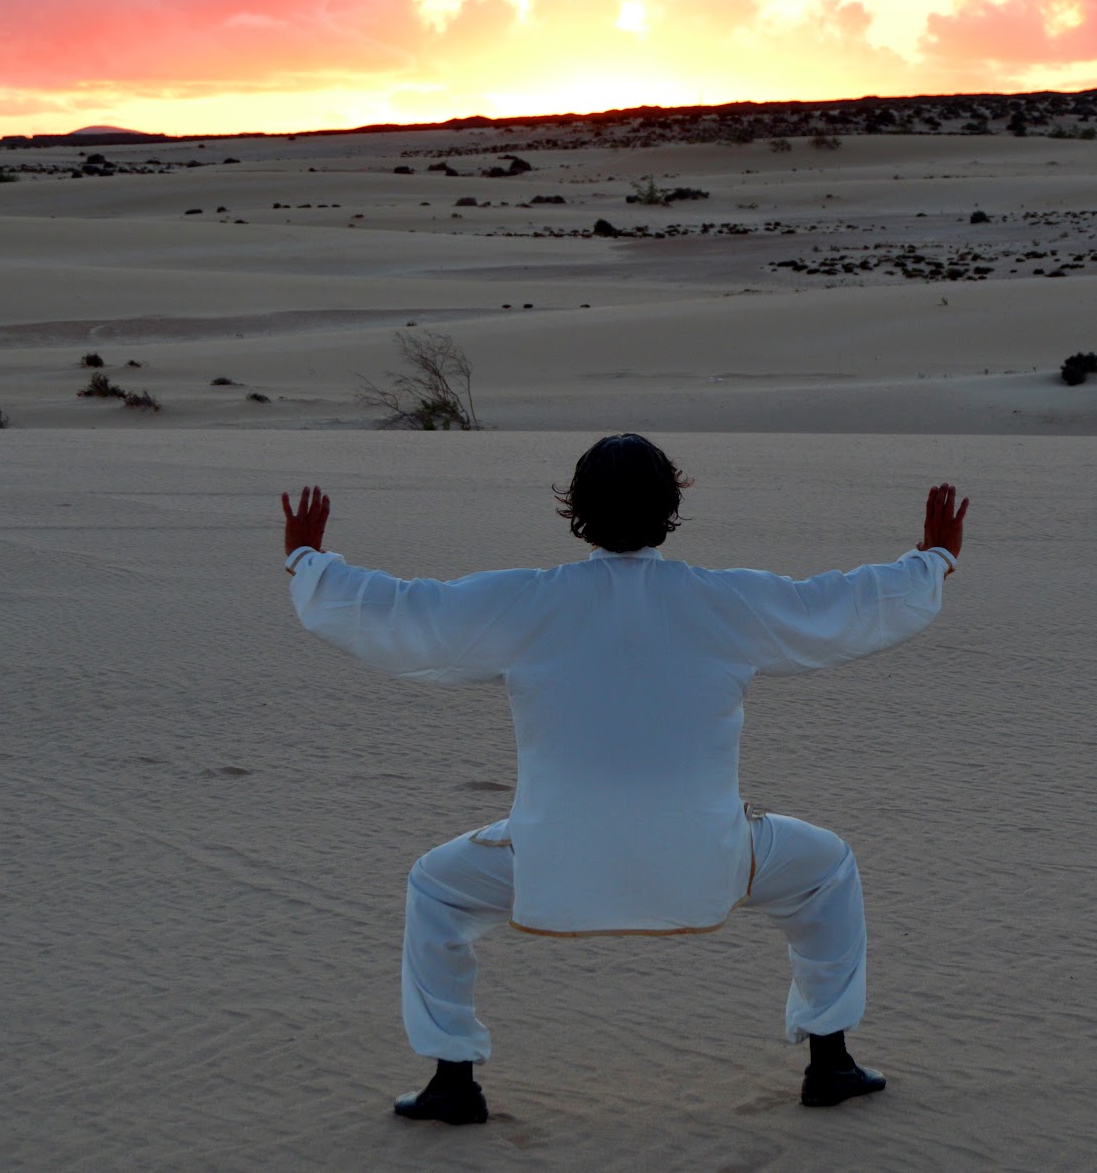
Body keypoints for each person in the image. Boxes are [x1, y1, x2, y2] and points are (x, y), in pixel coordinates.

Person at [281, 434, 967, 1125]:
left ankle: (451, 1080)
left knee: (435, 888)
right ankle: (831, 1061)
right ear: (672, 505)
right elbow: (836, 607)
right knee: (828, 869)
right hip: (709, 863)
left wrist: (309, 563)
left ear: (574, 509)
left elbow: (406, 612)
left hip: (550, 864)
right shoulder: (725, 599)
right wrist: (931, 560)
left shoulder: (526, 601)